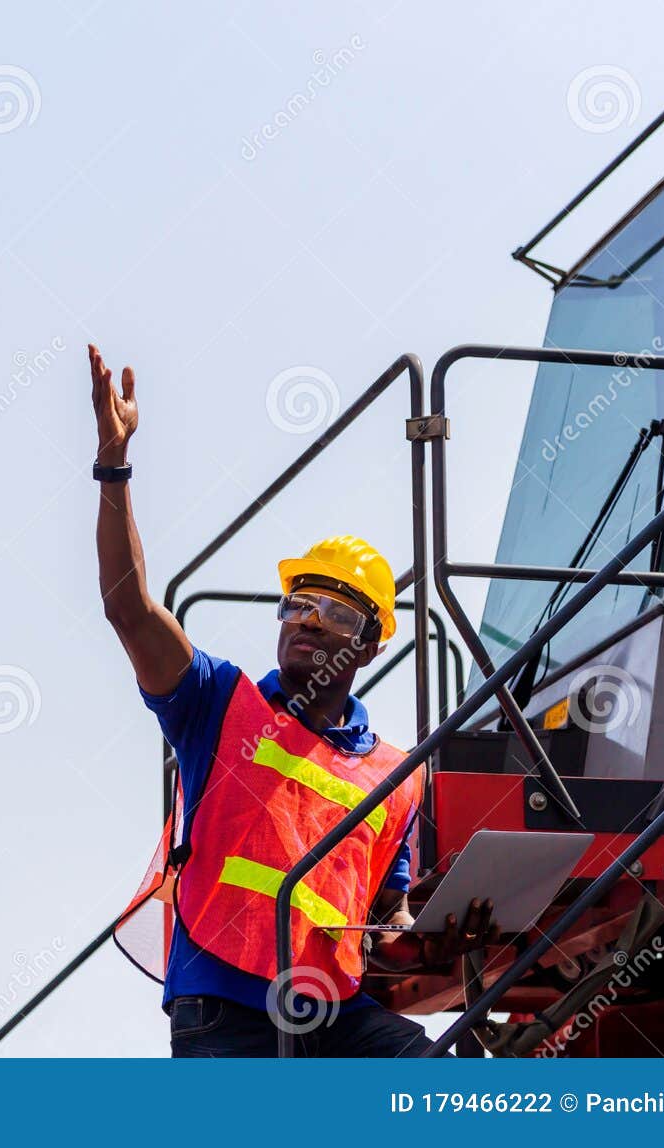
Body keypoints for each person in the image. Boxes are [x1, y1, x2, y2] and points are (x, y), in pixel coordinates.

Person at [89, 345, 497, 1057]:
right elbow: (130, 608)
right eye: (298, 604)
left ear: (368, 647)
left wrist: (435, 944)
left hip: (332, 1014)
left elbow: (384, 922)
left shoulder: (396, 777)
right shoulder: (218, 705)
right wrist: (114, 468)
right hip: (227, 1012)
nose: (308, 621)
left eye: (334, 613)